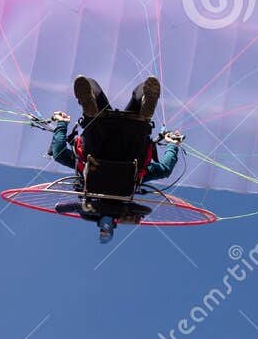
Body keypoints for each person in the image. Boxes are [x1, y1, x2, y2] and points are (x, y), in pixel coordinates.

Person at [45, 76, 183, 243]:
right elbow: (59, 153)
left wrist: (172, 144)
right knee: (91, 87)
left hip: (134, 134)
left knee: (140, 104)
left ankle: (144, 106)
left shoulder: (135, 180)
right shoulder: (84, 175)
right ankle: (91, 105)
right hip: (98, 130)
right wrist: (62, 123)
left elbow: (165, 170)